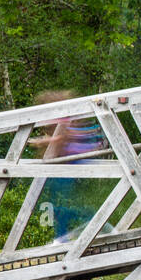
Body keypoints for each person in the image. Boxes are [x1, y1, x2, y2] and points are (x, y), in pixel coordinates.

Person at [27, 90, 105, 244]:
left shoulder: (62, 114)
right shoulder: (59, 115)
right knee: (55, 202)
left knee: (58, 201)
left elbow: (64, 136)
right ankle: (90, 222)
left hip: (72, 161)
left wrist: (44, 141)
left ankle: (91, 221)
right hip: (66, 162)